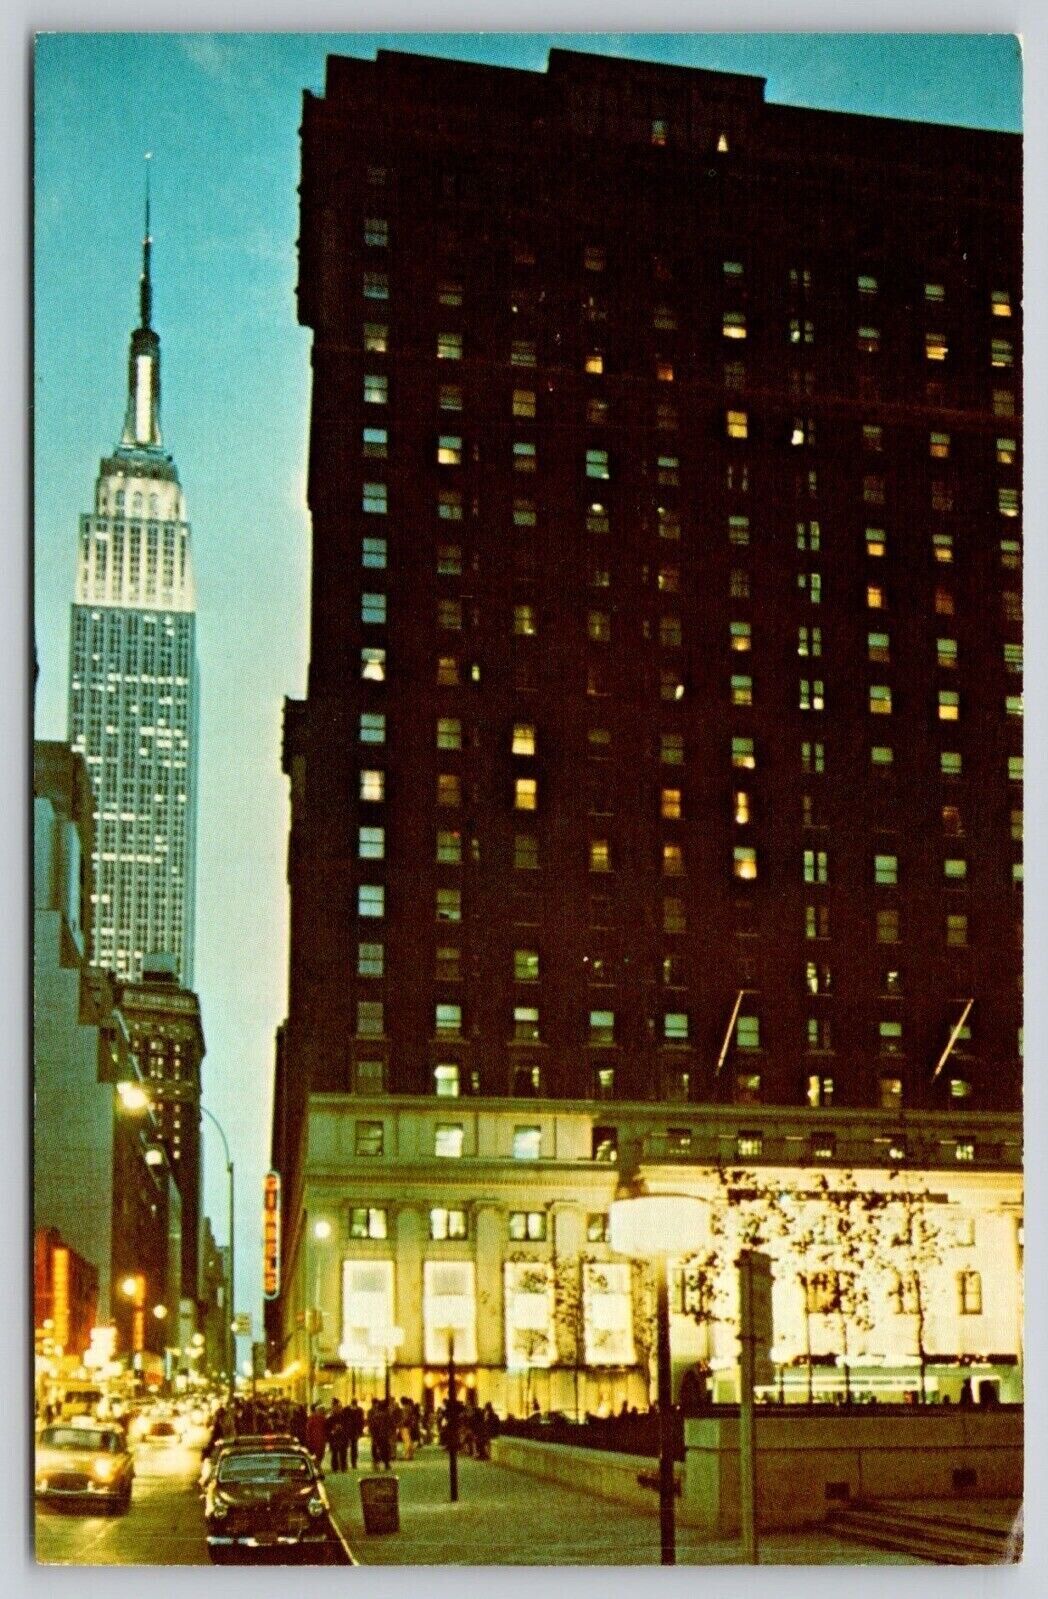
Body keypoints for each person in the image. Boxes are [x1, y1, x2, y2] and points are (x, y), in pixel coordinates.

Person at [326, 1398, 348, 1471]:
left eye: (338, 1407)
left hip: (342, 1436)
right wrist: (332, 1431)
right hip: (334, 1436)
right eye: (335, 1407)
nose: (336, 1409)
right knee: (335, 1453)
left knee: (343, 1452)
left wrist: (342, 1428)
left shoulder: (343, 1416)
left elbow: (347, 1425)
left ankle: (343, 1467)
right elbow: (328, 1427)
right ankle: (335, 1467)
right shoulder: (330, 1417)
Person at [346, 1399, 365, 1469]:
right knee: (354, 1446)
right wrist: (361, 1430)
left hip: (349, 1430)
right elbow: (361, 1421)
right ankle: (354, 1462)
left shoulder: (347, 1409)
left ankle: (351, 1462)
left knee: (349, 1447)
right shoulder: (359, 1410)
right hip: (355, 1431)